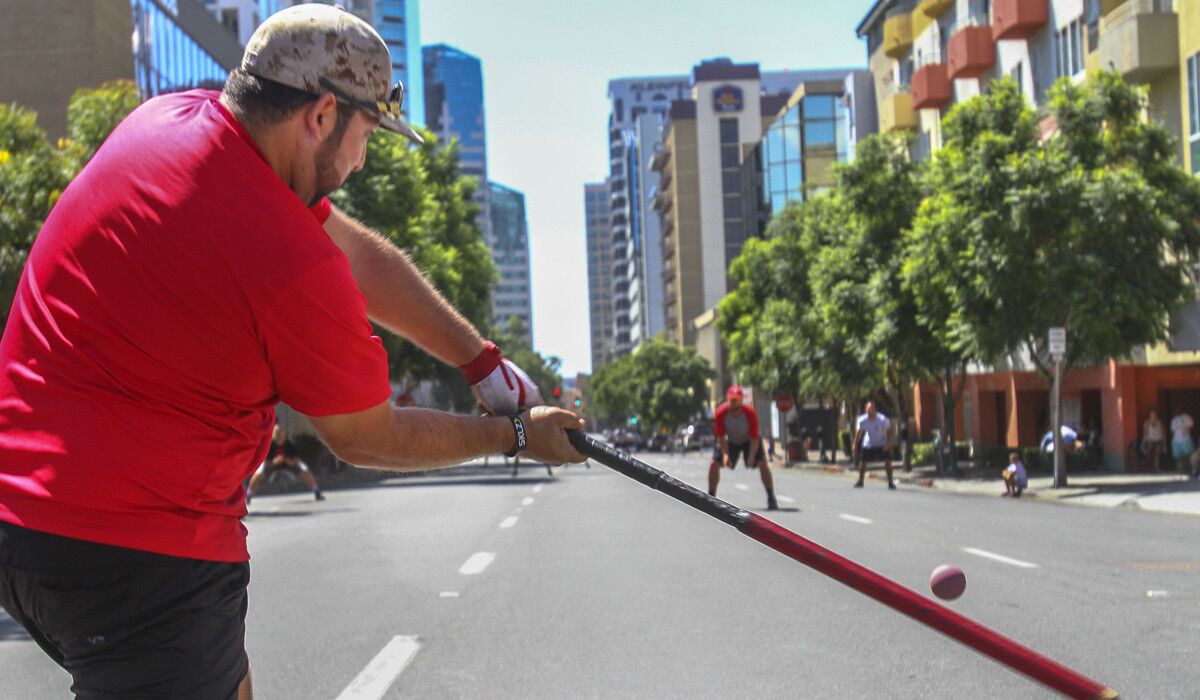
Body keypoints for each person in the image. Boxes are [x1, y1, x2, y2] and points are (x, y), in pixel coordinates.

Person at [0, 7, 585, 699]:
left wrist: (478, 360)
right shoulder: (290, 265)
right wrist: (517, 434)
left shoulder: (170, 120)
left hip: (19, 523)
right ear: (321, 115)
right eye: (366, 133)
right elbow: (369, 437)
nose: (363, 158)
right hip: (142, 554)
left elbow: (359, 255)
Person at [708, 385, 778, 510]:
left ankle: (770, 496)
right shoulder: (720, 413)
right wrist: (726, 455)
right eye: (731, 400)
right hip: (730, 440)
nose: (734, 403)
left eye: (737, 400)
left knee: (762, 463)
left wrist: (751, 457)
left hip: (748, 441)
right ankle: (710, 497)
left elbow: (755, 439)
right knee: (714, 464)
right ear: (728, 399)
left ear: (741, 400)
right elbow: (720, 438)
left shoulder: (750, 413)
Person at [246, 425, 325, 503]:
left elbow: (296, 459)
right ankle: (249, 495)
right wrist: (274, 462)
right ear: (273, 434)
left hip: (288, 463)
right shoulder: (269, 445)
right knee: (258, 473)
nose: (279, 435)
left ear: (284, 433)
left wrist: (288, 461)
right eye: (277, 433)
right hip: (272, 464)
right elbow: (265, 461)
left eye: (281, 432)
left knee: (304, 469)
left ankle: (316, 491)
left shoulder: (290, 444)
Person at [853, 401, 895, 489]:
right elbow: (859, 433)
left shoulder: (882, 419)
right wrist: (855, 444)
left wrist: (888, 444)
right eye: (868, 409)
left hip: (882, 443)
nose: (870, 411)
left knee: (888, 462)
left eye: (872, 409)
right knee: (863, 462)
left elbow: (889, 432)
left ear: (875, 409)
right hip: (868, 444)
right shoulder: (862, 420)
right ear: (866, 410)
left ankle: (891, 482)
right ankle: (860, 481)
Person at [1143, 409, 1165, 473]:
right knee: (1148, 455)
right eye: (1152, 414)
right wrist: (1144, 442)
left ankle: (1157, 468)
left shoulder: (1159, 422)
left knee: (1157, 455)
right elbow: (1145, 432)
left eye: (1154, 414)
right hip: (1150, 440)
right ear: (1149, 415)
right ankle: (1149, 468)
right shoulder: (1147, 422)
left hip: (1159, 440)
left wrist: (1164, 443)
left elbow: (1163, 432)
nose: (1153, 415)